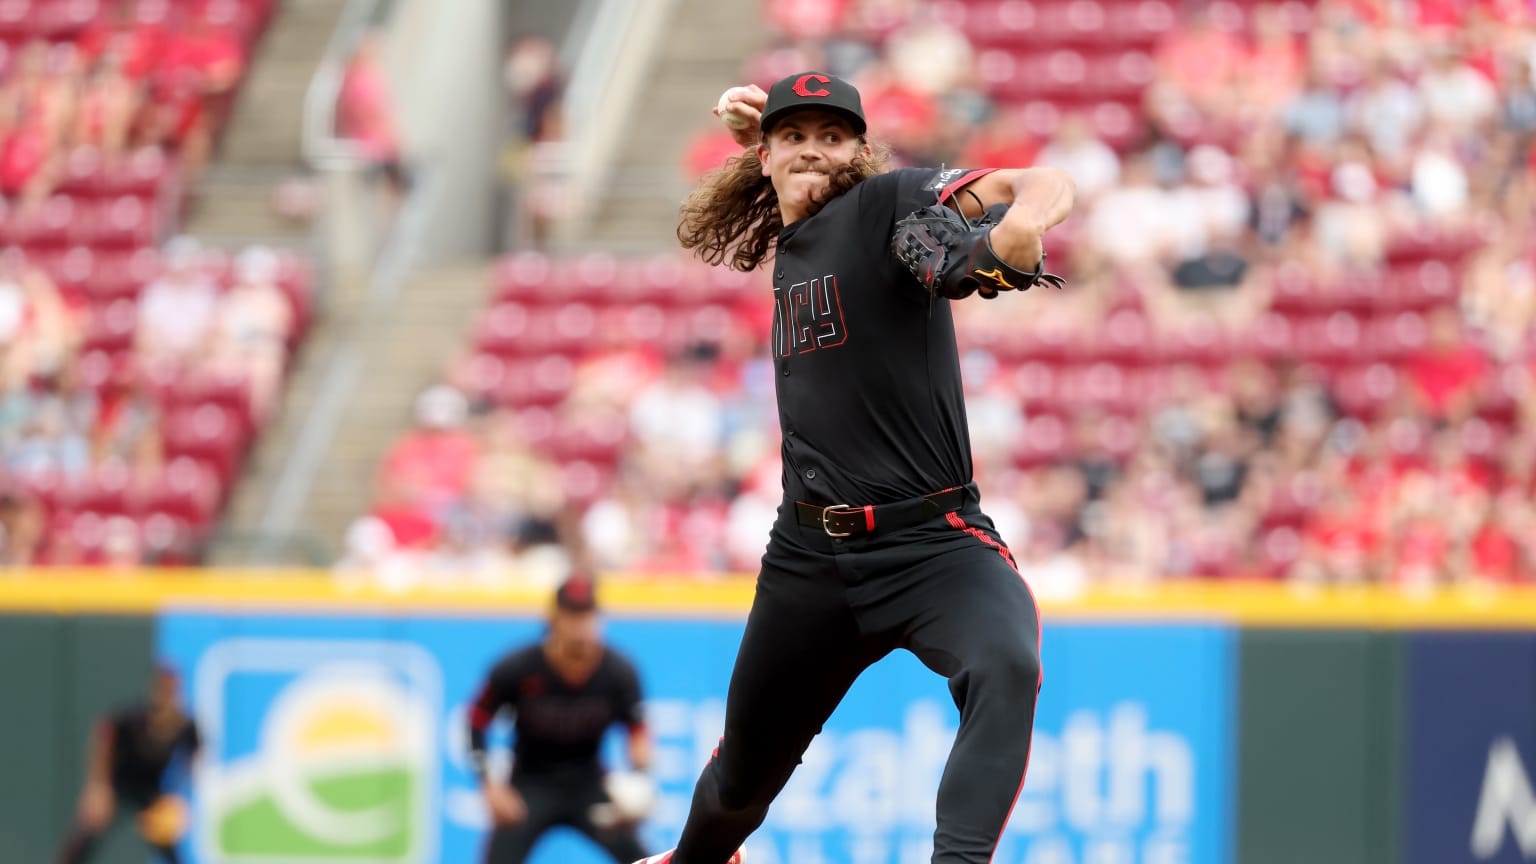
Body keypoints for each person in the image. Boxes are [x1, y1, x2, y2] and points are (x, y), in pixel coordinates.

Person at [639, 72, 1075, 864]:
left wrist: (1019, 234)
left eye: (833, 136)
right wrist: (771, 141)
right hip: (811, 558)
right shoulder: (802, 228)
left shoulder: (890, 204)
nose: (814, 150)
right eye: (795, 136)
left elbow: (1034, 184)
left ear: (861, 153)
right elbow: (806, 191)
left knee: (1006, 663)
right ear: (763, 159)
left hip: (931, 544)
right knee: (741, 782)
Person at [468, 577, 654, 863]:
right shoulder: (519, 667)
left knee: (642, 857)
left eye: (586, 615)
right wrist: (489, 785)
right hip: (530, 784)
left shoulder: (618, 672)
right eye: (572, 615)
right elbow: (477, 719)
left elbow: (638, 733)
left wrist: (640, 781)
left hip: (589, 783)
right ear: (554, 618)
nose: (580, 625)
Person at [57, 666, 200, 864]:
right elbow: (103, 740)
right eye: (161, 688)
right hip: (118, 784)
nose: (165, 695)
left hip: (150, 790)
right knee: (87, 836)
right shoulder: (133, 720)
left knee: (169, 847)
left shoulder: (185, 726)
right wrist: (99, 786)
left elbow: (195, 757)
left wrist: (181, 796)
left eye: (171, 690)